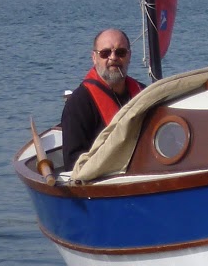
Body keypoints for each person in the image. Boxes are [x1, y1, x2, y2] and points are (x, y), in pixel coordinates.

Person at [59, 27, 144, 169]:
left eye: (120, 52)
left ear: (129, 56)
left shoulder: (143, 93)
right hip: (105, 181)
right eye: (105, 53)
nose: (113, 58)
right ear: (94, 58)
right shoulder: (79, 103)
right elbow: (72, 162)